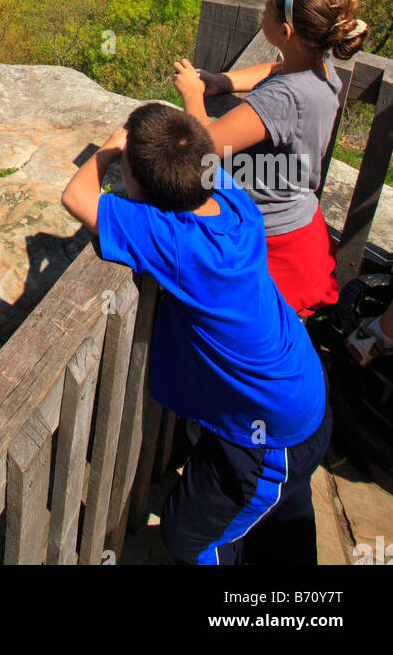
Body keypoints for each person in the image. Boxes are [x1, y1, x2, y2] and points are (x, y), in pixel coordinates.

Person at [61, 102, 332, 565]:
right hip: (301, 392)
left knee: (190, 538)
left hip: (270, 439)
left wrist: (110, 150)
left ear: (138, 186)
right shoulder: (234, 204)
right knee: (283, 523)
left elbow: (76, 197)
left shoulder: (178, 243)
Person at [172, 0, 369, 317]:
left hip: (271, 239)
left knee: (256, 327)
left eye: (266, 11)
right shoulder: (319, 71)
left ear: (286, 32)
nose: (261, 15)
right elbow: (277, 68)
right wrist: (224, 81)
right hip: (300, 223)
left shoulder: (284, 99)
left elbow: (205, 146)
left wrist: (192, 93)